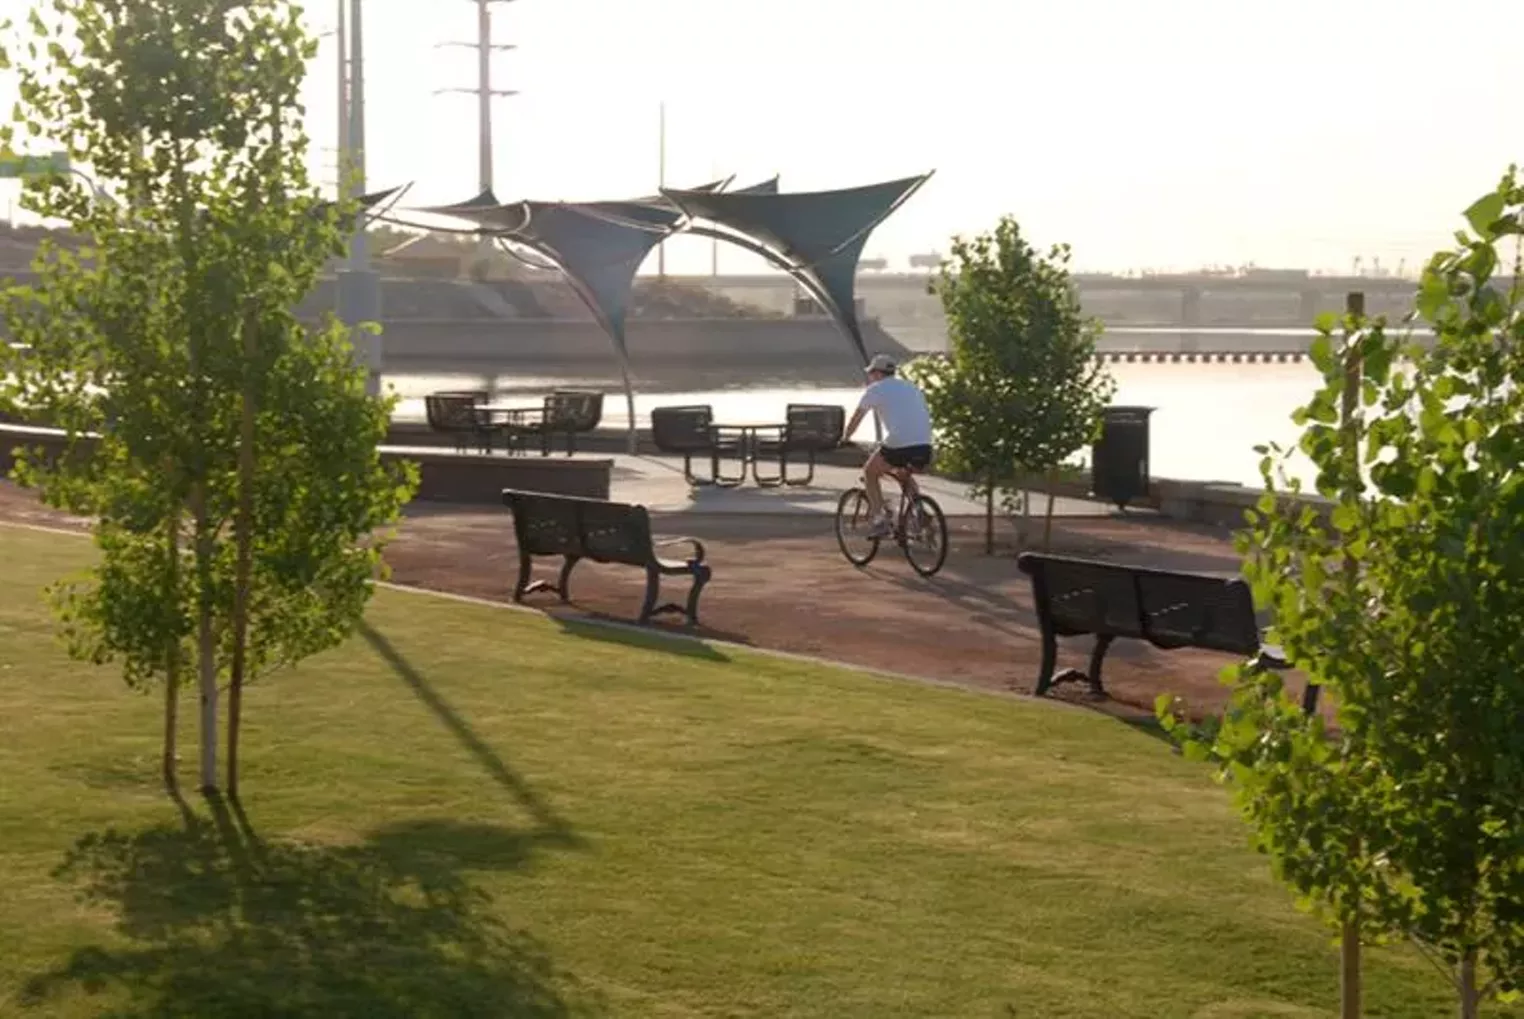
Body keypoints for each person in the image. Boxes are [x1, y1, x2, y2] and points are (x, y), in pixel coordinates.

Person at [842, 353, 934, 537]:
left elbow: (856, 418)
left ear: (877, 373)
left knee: (870, 472)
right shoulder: (911, 387)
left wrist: (845, 437)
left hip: (899, 443)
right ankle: (919, 510)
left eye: (871, 373)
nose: (870, 377)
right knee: (902, 472)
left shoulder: (875, 389)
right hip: (925, 444)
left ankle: (879, 520)